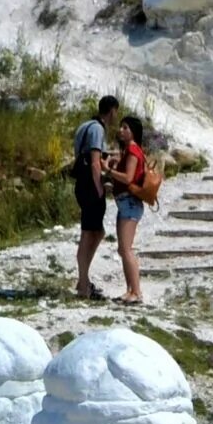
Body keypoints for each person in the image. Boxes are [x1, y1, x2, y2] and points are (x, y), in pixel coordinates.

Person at [71, 93, 117, 297]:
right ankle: (83, 283)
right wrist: (99, 186)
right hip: (90, 186)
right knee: (89, 233)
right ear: (112, 111)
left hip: (81, 184)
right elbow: (95, 160)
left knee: (95, 232)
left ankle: (84, 280)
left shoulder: (85, 126)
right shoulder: (98, 129)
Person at [104, 113, 150, 304]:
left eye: (126, 128)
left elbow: (128, 178)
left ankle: (136, 292)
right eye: (121, 127)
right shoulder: (132, 150)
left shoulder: (132, 150)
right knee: (123, 250)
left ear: (133, 132)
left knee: (126, 249)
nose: (121, 131)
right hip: (126, 203)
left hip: (129, 203)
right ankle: (130, 290)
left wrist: (108, 170)